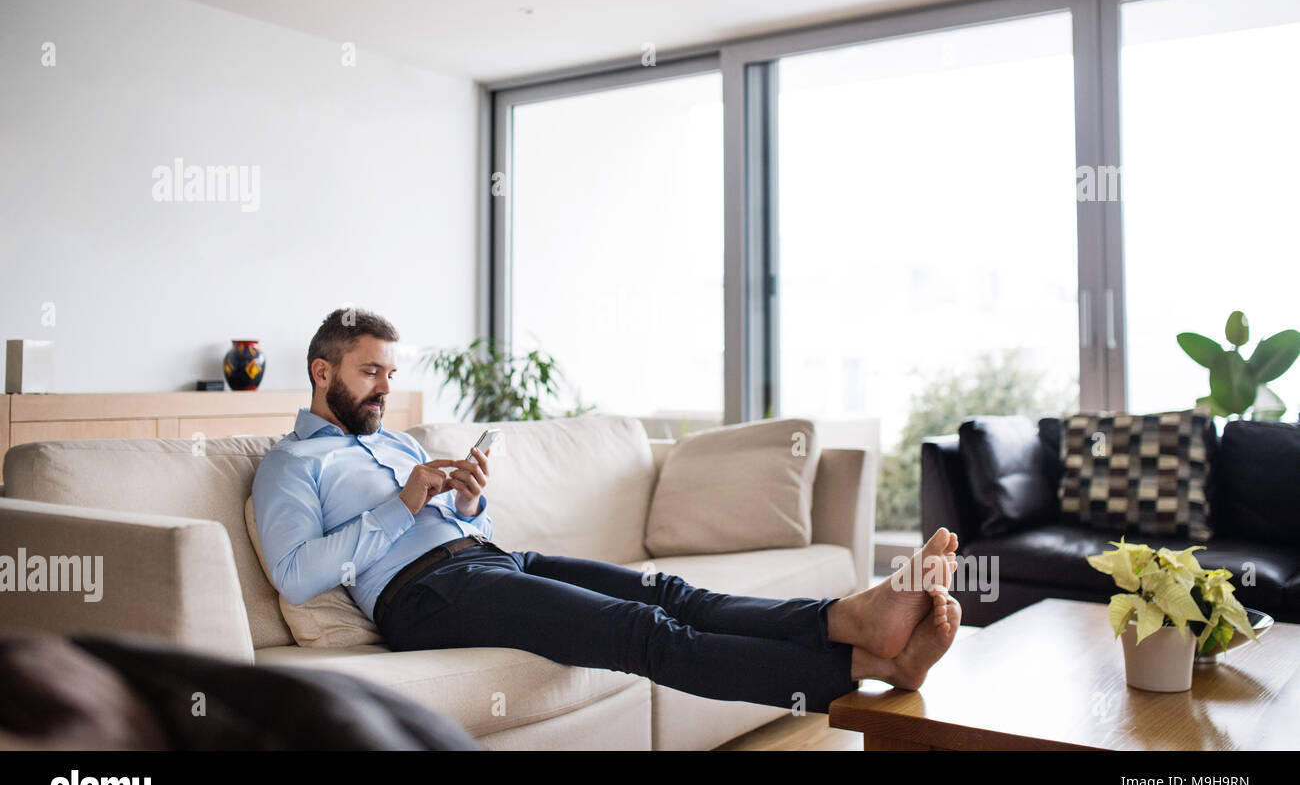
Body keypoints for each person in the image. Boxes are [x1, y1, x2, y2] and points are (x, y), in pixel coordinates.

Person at [252, 308, 963, 718]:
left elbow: (471, 528)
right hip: (425, 599)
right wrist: (406, 502)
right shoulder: (292, 464)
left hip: (491, 562)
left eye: (390, 375)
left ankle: (854, 626)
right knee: (640, 630)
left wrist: (466, 501)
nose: (384, 388)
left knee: (675, 594)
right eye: (370, 372)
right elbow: (293, 574)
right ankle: (859, 668)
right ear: (323, 372)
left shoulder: (396, 440)